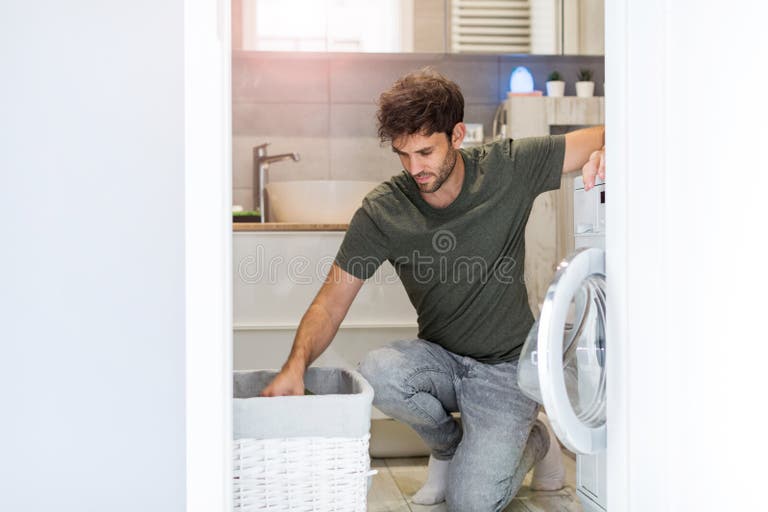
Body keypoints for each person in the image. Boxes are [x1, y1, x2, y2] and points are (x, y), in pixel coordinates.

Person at [261, 68, 606, 511]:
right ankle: (448, 448)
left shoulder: (508, 167)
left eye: (425, 151)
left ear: (457, 135)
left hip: (505, 369)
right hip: (440, 360)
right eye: (403, 154)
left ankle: (536, 440)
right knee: (380, 372)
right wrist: (294, 365)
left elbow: (605, 132)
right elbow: (330, 303)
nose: (414, 168)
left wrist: (608, 150)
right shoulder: (385, 210)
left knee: (473, 503)